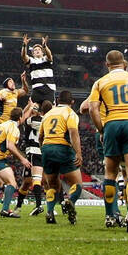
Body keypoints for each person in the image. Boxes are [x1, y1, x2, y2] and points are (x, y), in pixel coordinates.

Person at [87, 50, 128, 232]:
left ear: (107, 65)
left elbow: (92, 109)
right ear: (123, 63)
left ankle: (109, 216)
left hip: (112, 124)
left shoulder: (100, 82)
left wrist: (101, 129)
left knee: (110, 174)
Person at [39, 94, 85, 225]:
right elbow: (73, 133)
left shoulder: (47, 114)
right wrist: (78, 153)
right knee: (77, 184)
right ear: (72, 101)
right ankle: (70, 201)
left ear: (58, 101)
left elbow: (40, 137)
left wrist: (44, 150)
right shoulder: (70, 113)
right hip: (63, 148)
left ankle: (50, 212)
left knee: (52, 185)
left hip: (47, 148)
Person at [0, 107, 31, 218]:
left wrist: (29, 107)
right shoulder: (14, 128)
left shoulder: (3, 124)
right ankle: (5, 210)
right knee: (12, 183)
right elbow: (10, 145)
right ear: (19, 118)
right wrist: (22, 159)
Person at [22, 36, 57, 105]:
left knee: (50, 109)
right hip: (37, 89)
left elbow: (49, 55)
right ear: (33, 54)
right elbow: (23, 56)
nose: (37, 50)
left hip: (49, 88)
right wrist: (24, 46)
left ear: (42, 52)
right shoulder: (31, 61)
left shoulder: (46, 59)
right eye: (35, 50)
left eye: (39, 49)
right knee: (33, 109)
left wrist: (44, 46)